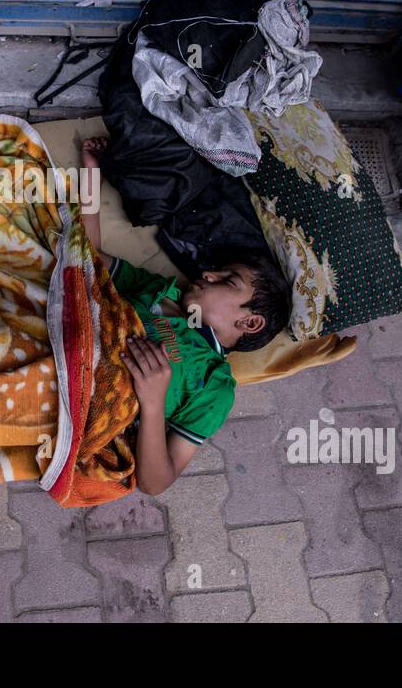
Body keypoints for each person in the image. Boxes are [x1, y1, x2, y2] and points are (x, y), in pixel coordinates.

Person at [79, 137, 290, 495]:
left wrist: (153, 398)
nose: (209, 274)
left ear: (249, 321)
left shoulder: (214, 384)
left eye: (228, 281)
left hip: (82, 395)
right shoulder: (162, 291)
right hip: (66, 329)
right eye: (218, 271)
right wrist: (91, 173)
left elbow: (155, 482)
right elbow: (87, 258)